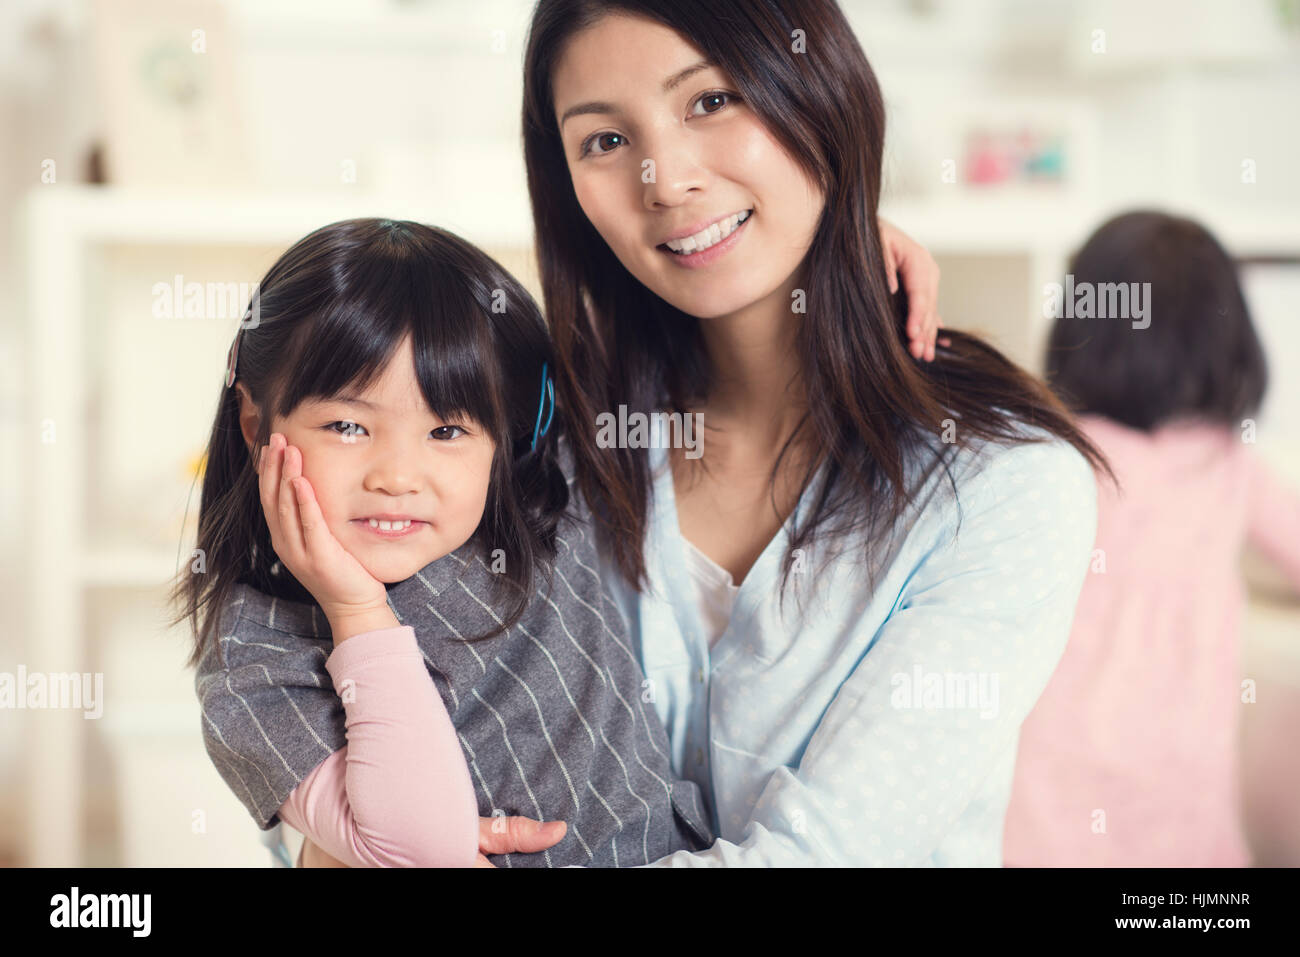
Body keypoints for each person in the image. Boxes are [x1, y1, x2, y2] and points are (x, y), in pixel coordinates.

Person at [516, 0, 1114, 865]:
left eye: (712, 101)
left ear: (819, 91)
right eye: (604, 141)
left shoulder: (1003, 484)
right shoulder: (551, 446)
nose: (666, 179)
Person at [174, 218, 716, 866]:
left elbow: (685, 310)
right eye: (348, 425)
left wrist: (849, 247)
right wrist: (356, 611)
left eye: (448, 431)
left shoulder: (543, 493)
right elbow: (418, 847)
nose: (397, 476)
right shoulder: (252, 661)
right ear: (256, 422)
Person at [1003, 210, 1300, 866]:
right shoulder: (1228, 466)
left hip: (1042, 817)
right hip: (1184, 821)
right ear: (1230, 342)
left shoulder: (1051, 456)